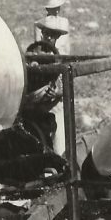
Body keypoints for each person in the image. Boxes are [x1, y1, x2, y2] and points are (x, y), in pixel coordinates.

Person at [34, 15, 72, 152]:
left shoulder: (60, 57)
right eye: (45, 33)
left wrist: (58, 92)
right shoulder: (33, 52)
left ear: (57, 37)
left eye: (52, 35)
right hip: (35, 106)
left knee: (59, 144)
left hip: (54, 106)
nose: (48, 37)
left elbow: (66, 82)